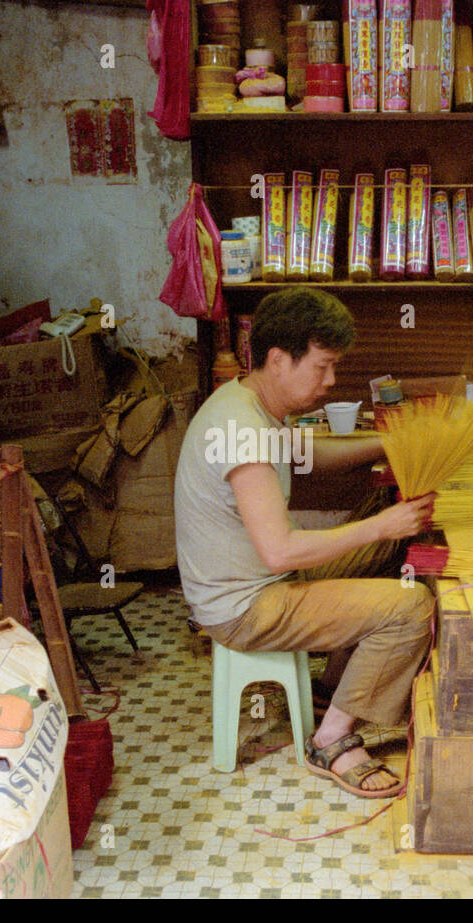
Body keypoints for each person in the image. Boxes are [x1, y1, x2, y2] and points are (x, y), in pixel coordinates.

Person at [174, 287, 436, 799]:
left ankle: (329, 691)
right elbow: (281, 552)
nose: (331, 380)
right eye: (322, 366)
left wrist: (390, 443)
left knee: (390, 556)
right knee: (413, 605)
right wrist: (382, 525)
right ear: (277, 360)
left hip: (258, 585)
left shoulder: (250, 405)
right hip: (243, 606)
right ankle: (332, 737)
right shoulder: (241, 426)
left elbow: (305, 455)